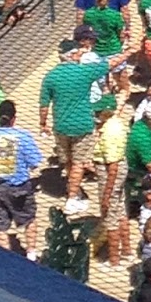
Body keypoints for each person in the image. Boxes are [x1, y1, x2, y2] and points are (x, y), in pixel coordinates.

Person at [37, 37, 110, 215]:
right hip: (82, 125)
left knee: (68, 161)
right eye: (77, 52)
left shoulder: (50, 76)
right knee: (78, 163)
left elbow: (44, 105)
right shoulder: (83, 72)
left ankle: (75, 190)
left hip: (61, 125)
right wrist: (128, 53)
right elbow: (108, 64)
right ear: (73, 55)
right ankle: (71, 197)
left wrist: (43, 123)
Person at [0, 99, 44, 259]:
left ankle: (6, 258)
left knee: (0, 226)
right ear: (14, 118)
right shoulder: (23, 136)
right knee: (29, 219)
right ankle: (31, 254)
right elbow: (35, 162)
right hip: (20, 186)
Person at [94, 94, 132, 273]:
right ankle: (126, 250)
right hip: (121, 167)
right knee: (121, 211)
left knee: (110, 217)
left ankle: (114, 261)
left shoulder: (109, 132)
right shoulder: (117, 123)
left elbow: (113, 167)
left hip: (110, 173)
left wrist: (106, 195)